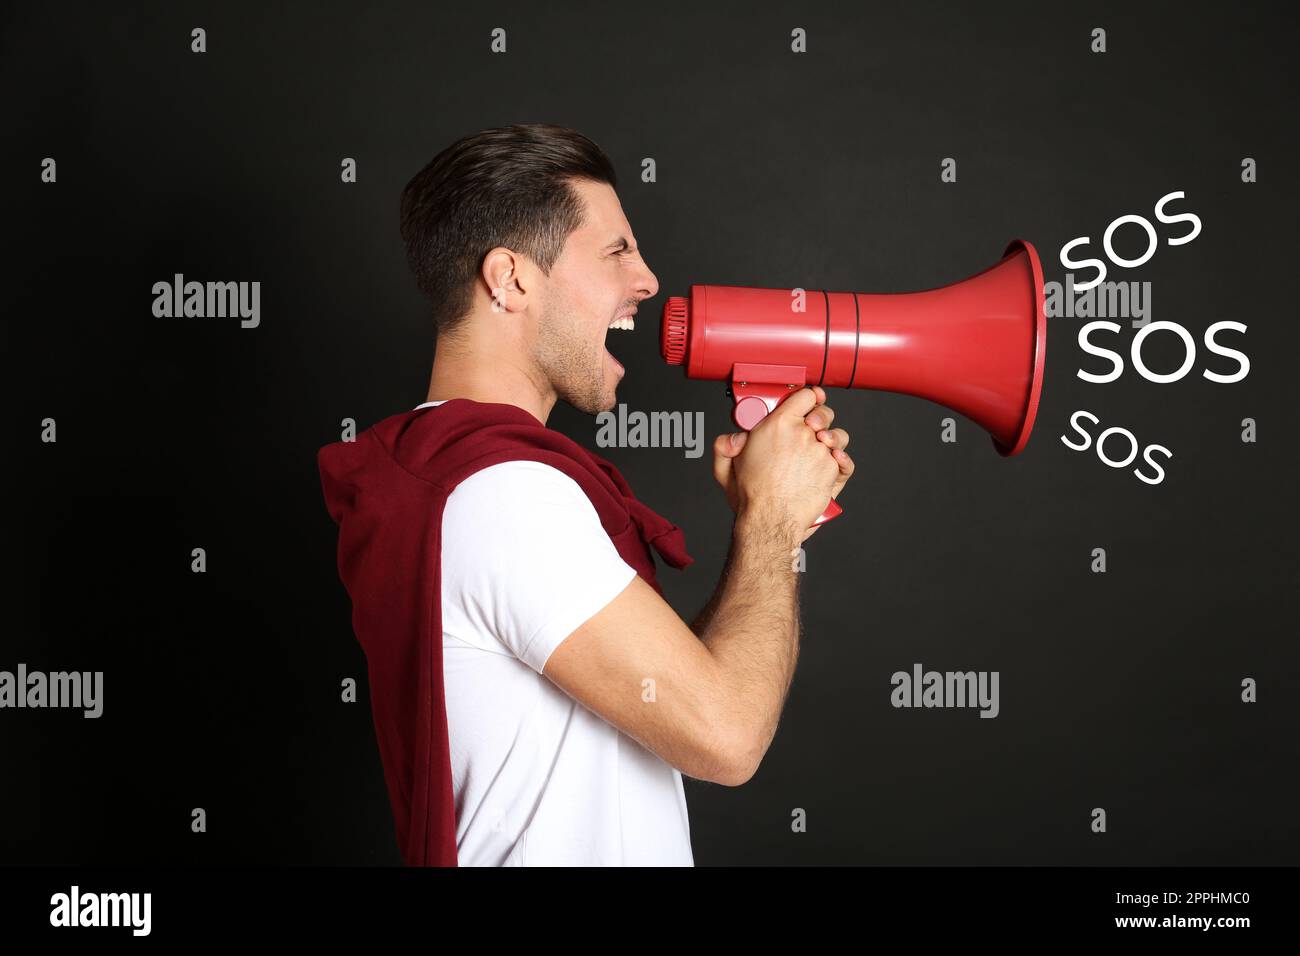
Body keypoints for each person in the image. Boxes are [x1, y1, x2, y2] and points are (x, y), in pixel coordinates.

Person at [317, 123, 854, 866]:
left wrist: (775, 521)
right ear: (509, 279)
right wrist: (769, 523)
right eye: (616, 252)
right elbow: (726, 735)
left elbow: (672, 692)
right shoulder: (503, 496)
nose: (648, 280)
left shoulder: (456, 479)